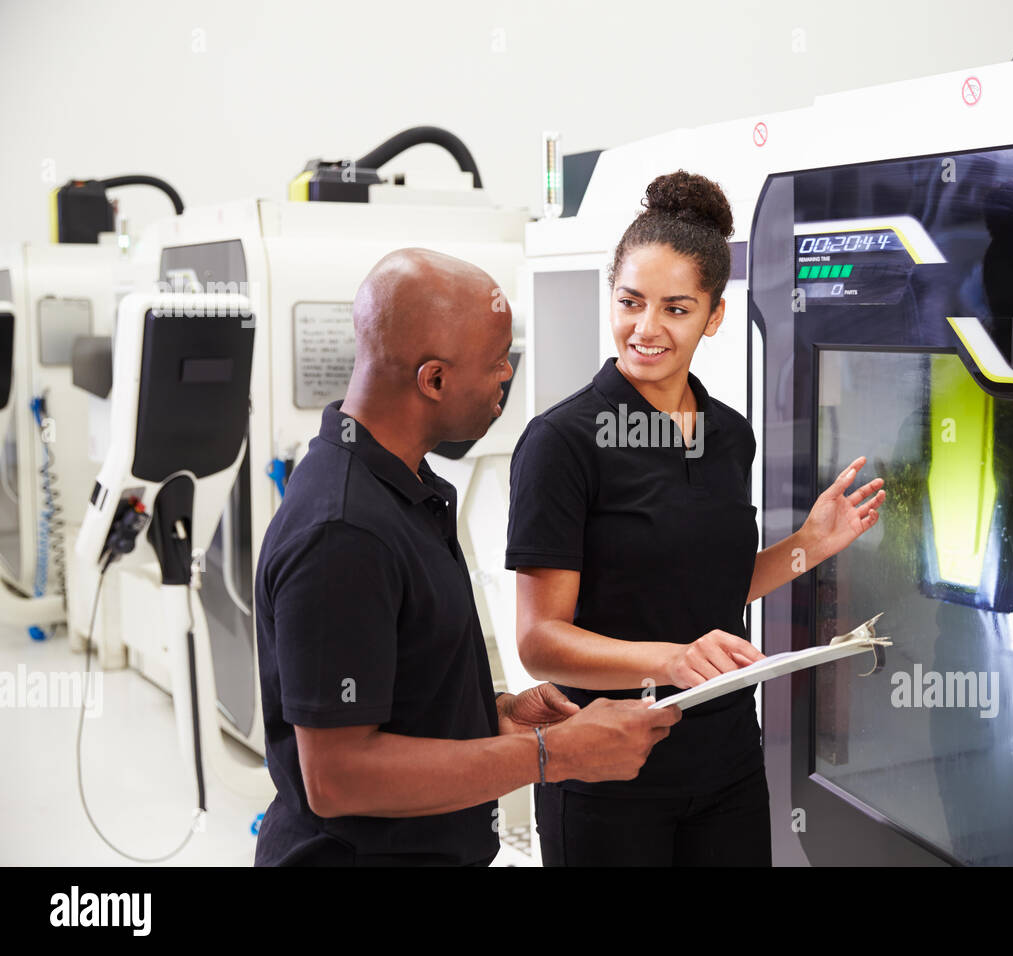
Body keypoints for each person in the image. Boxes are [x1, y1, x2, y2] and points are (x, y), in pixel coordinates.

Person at [254, 247, 680, 866]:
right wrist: (554, 756)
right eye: (496, 363)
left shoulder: (405, 490)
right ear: (434, 379)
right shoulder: (343, 532)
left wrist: (497, 716)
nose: (508, 374)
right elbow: (339, 777)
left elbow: (396, 702)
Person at [507, 171, 886, 866]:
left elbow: (707, 589)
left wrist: (808, 545)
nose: (645, 329)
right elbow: (540, 640)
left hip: (726, 758)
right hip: (606, 761)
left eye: (676, 309)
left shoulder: (728, 435)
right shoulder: (562, 443)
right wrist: (668, 660)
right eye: (630, 302)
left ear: (714, 316)